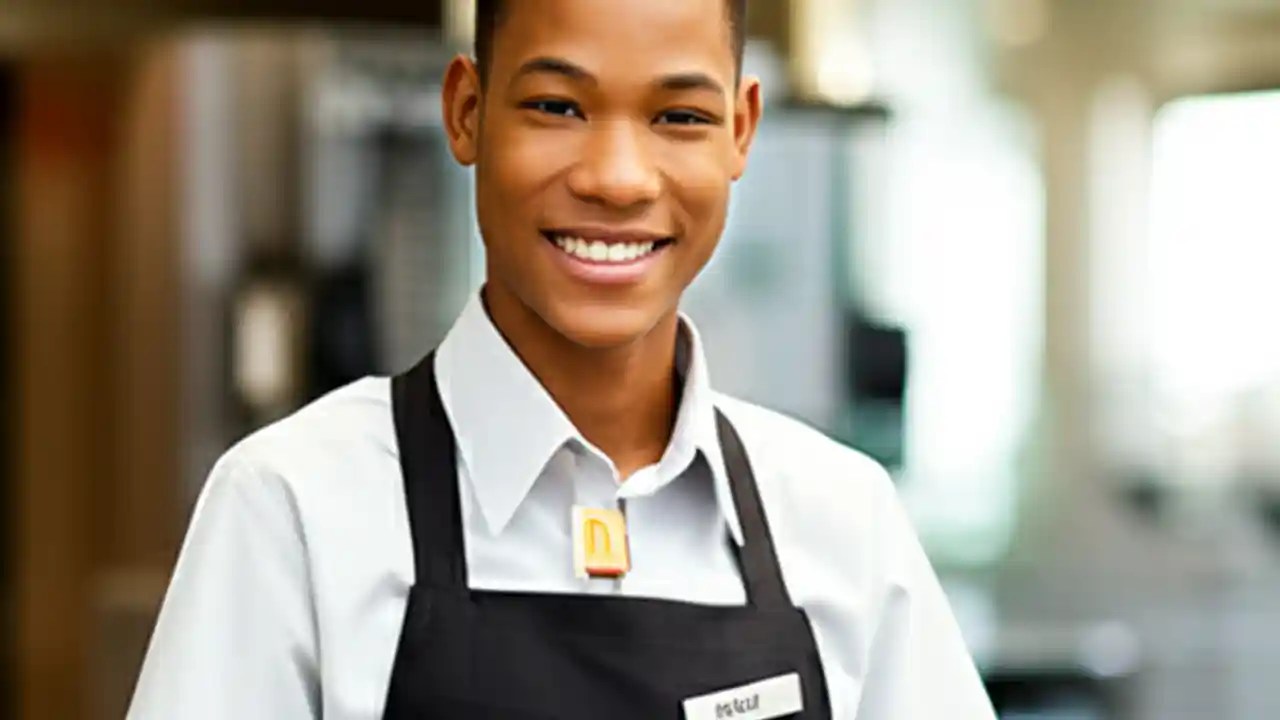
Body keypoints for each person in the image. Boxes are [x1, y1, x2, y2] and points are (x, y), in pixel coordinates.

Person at [128, 0, 996, 717]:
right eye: (557, 106)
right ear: (467, 111)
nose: (617, 178)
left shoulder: (844, 521)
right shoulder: (294, 508)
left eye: (680, 117)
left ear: (741, 131)